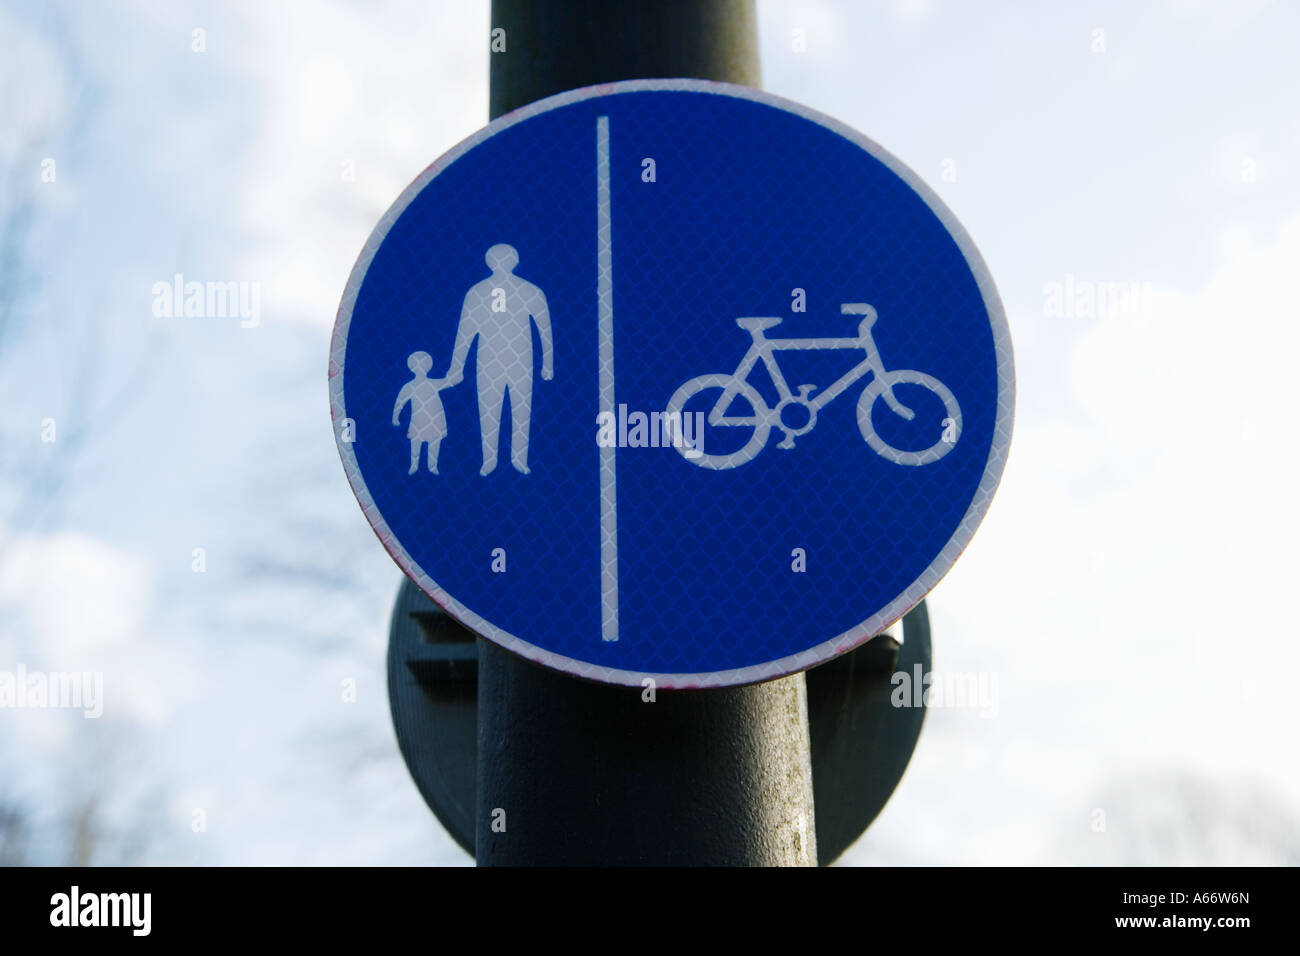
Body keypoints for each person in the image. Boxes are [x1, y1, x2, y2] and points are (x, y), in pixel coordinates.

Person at [445, 243, 553, 475]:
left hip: (511, 359)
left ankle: (514, 460)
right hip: (500, 359)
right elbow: (466, 331)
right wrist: (457, 366)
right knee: (497, 409)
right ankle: (492, 460)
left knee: (510, 408)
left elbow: (544, 329)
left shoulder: (487, 291)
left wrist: (548, 363)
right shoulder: (483, 292)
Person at [392, 351, 448, 475]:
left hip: (434, 418)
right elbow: (400, 402)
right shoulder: (411, 386)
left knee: (433, 441)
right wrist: (395, 417)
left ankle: (432, 467)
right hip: (419, 418)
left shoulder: (432, 383)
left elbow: (448, 382)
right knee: (416, 441)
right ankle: (414, 465)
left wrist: (454, 375)